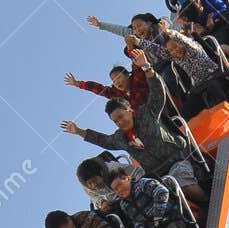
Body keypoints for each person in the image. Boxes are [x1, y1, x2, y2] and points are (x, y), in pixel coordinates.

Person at [60, 72, 207, 206]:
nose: (120, 122)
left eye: (121, 117)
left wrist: (148, 70)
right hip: (157, 174)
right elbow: (102, 140)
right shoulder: (120, 138)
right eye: (115, 121)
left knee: (182, 184)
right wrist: (79, 131)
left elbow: (158, 94)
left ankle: (205, 201)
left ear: (129, 110)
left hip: (177, 158)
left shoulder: (146, 113)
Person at [79, 162, 201, 228]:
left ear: (127, 178)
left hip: (171, 219)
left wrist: (158, 217)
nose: (119, 190)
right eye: (115, 190)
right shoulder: (123, 204)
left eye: (120, 185)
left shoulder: (142, 184)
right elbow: (136, 221)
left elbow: (162, 193)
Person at [158, 21, 229, 120]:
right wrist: (137, 41)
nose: (174, 51)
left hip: (215, 76)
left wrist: (168, 31)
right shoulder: (178, 59)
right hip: (200, 85)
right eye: (171, 50)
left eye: (175, 47)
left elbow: (183, 40)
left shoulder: (193, 48)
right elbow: (157, 50)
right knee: (187, 108)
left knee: (214, 88)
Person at [64, 61, 148, 112]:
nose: (117, 82)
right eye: (114, 81)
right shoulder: (115, 94)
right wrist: (77, 83)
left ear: (126, 75)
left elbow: (137, 63)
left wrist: (131, 47)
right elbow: (98, 88)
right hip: (146, 118)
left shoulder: (137, 78)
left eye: (118, 77)